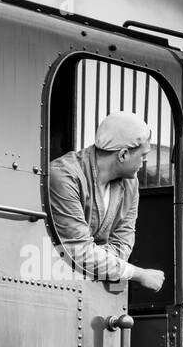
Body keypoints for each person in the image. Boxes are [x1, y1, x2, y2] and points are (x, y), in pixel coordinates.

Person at [48, 111, 164, 291]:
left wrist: (95, 256)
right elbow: (77, 251)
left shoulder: (131, 184)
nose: (145, 161)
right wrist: (137, 273)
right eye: (143, 155)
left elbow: (123, 244)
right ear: (124, 154)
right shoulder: (64, 176)